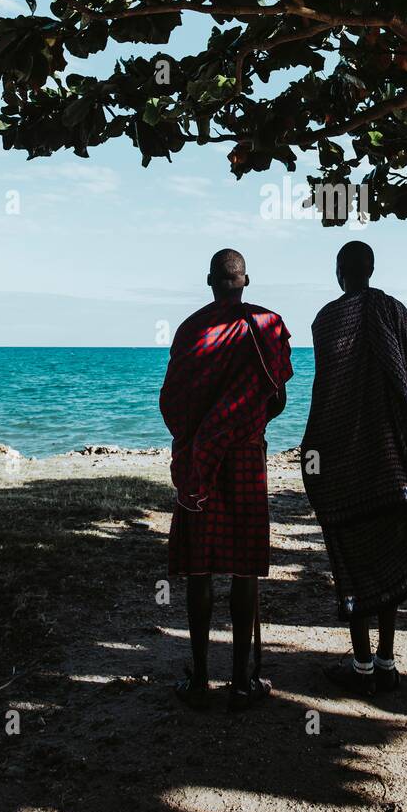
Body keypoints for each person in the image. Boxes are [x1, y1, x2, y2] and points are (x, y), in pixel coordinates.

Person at [160, 249, 292, 711]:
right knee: (245, 565)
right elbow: (276, 399)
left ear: (209, 281)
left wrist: (201, 435)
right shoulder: (268, 327)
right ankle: (241, 681)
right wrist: (242, 424)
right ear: (245, 280)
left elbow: (172, 403)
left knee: (199, 566)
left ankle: (199, 680)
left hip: (199, 460)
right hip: (245, 459)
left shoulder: (191, 330)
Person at [301, 241, 407, 696]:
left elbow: (327, 394)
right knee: (391, 559)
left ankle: (360, 665)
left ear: (340, 273)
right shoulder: (398, 313)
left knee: (353, 560)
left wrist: (319, 448)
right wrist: (402, 433)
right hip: (392, 462)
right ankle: (387, 663)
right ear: (371, 269)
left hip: (342, 462)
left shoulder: (326, 321)